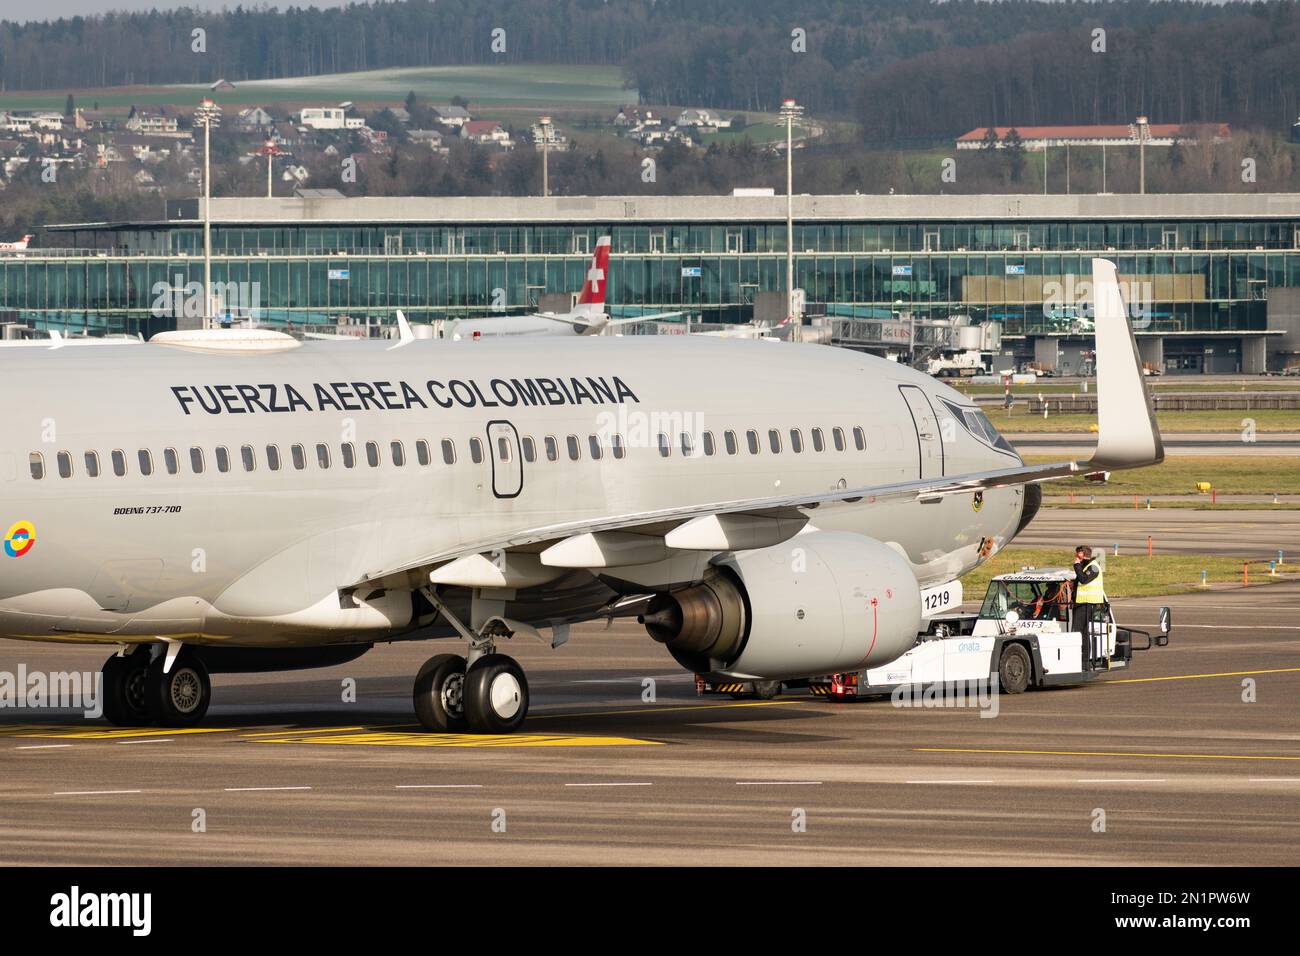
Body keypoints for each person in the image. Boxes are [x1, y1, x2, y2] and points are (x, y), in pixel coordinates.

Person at [1073, 545, 1107, 661]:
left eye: (1079, 554)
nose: (1076, 556)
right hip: (1082, 602)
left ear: (1084, 555)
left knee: (1078, 631)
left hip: (1088, 603)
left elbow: (1083, 579)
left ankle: (1084, 658)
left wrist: (1076, 565)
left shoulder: (1094, 567)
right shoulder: (1086, 566)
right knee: (1082, 631)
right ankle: (1084, 657)